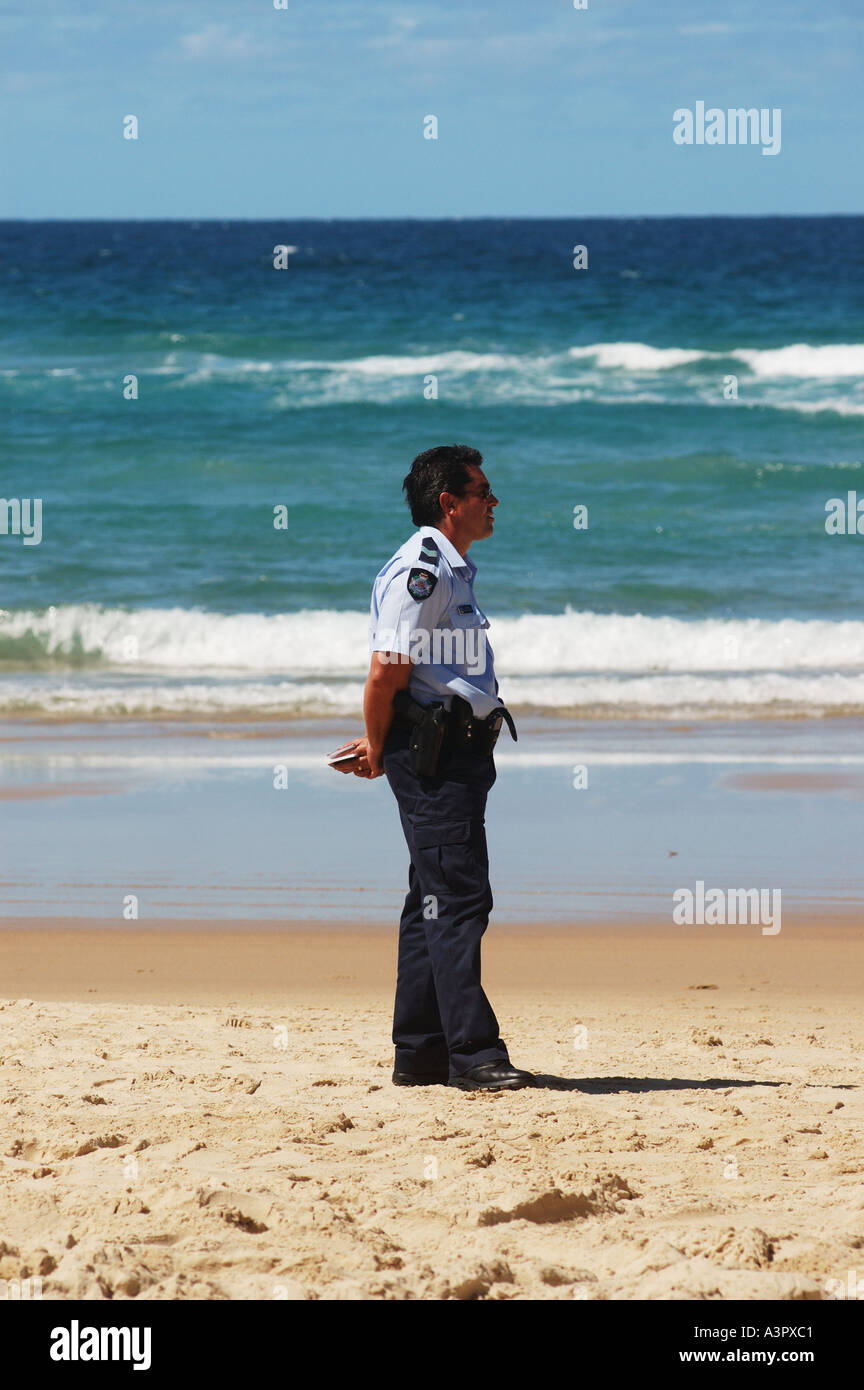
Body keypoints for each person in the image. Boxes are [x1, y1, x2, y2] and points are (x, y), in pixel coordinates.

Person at [330, 444, 534, 1091]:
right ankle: (474, 1054)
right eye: (483, 491)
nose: (493, 502)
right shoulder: (424, 571)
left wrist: (378, 743)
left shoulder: (451, 569)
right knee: (460, 897)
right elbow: (384, 673)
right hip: (435, 759)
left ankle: (419, 1052)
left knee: (432, 897)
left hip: (455, 755)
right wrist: (376, 744)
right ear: (450, 503)